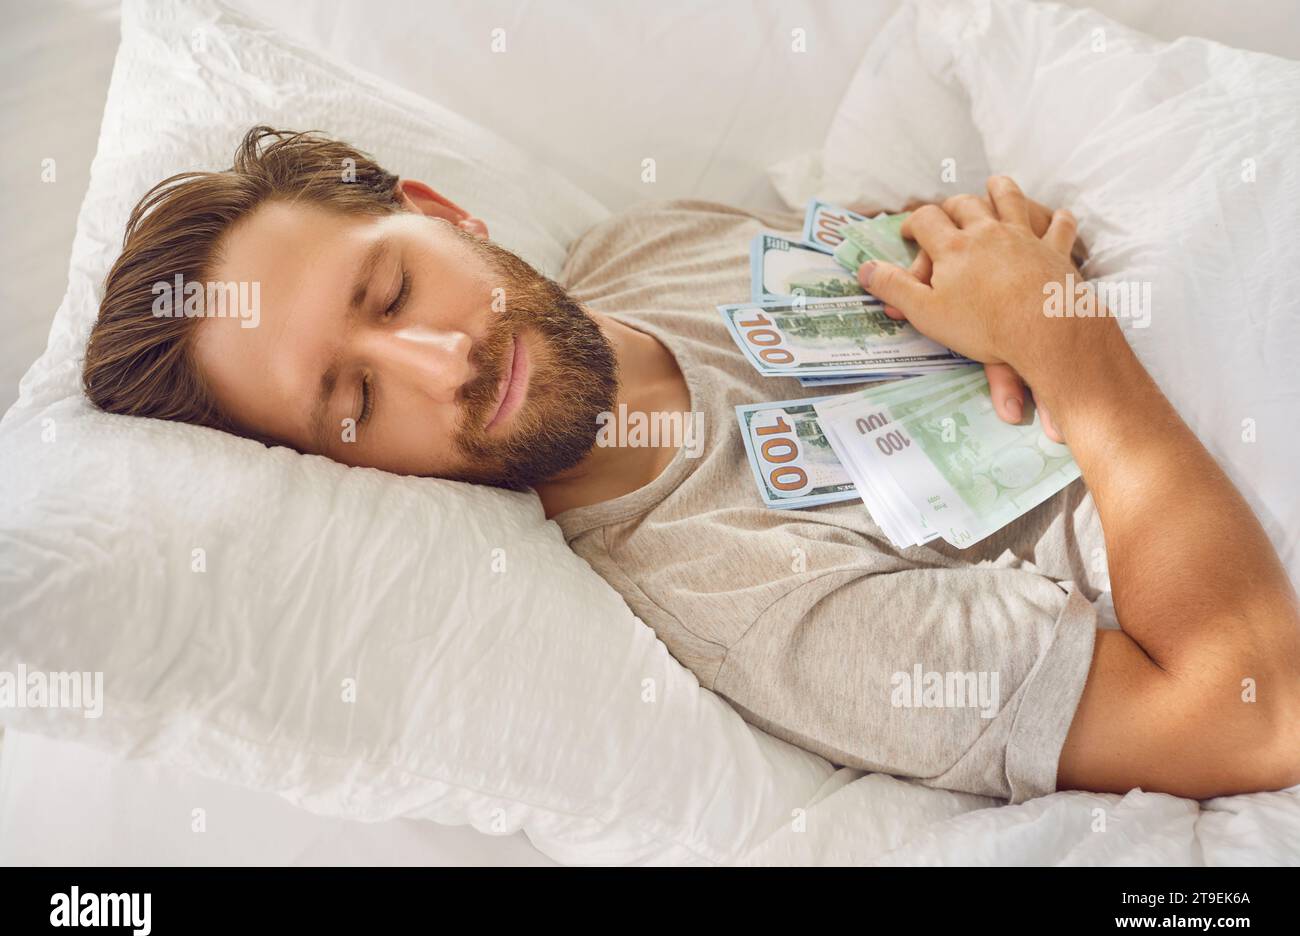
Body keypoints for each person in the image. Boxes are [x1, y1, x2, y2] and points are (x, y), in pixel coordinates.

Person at [84, 127, 1300, 804]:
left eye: (392, 288)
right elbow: (1247, 720)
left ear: (441, 208)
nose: (435, 358)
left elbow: (926, 244)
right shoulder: (751, 607)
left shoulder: (645, 246)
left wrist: (978, 252)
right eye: (352, 404)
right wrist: (1070, 351)